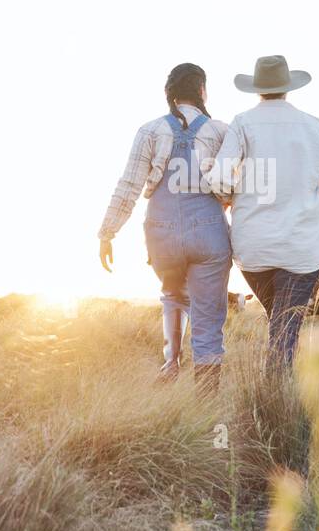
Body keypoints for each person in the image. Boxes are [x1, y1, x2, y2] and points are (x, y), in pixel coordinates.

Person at [205, 55, 319, 376]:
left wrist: (234, 196)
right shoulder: (315, 126)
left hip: (253, 249)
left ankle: (275, 388)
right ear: (288, 88)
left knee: (281, 321)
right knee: (285, 325)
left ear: (257, 89)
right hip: (301, 248)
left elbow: (219, 178)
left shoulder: (242, 123)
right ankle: (276, 393)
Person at [99, 63, 232, 391]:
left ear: (169, 93)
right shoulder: (220, 131)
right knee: (208, 316)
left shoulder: (150, 130)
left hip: (161, 232)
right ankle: (206, 398)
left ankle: (171, 362)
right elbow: (235, 184)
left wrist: (108, 232)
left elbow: (129, 184)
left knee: (173, 295)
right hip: (208, 230)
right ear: (202, 91)